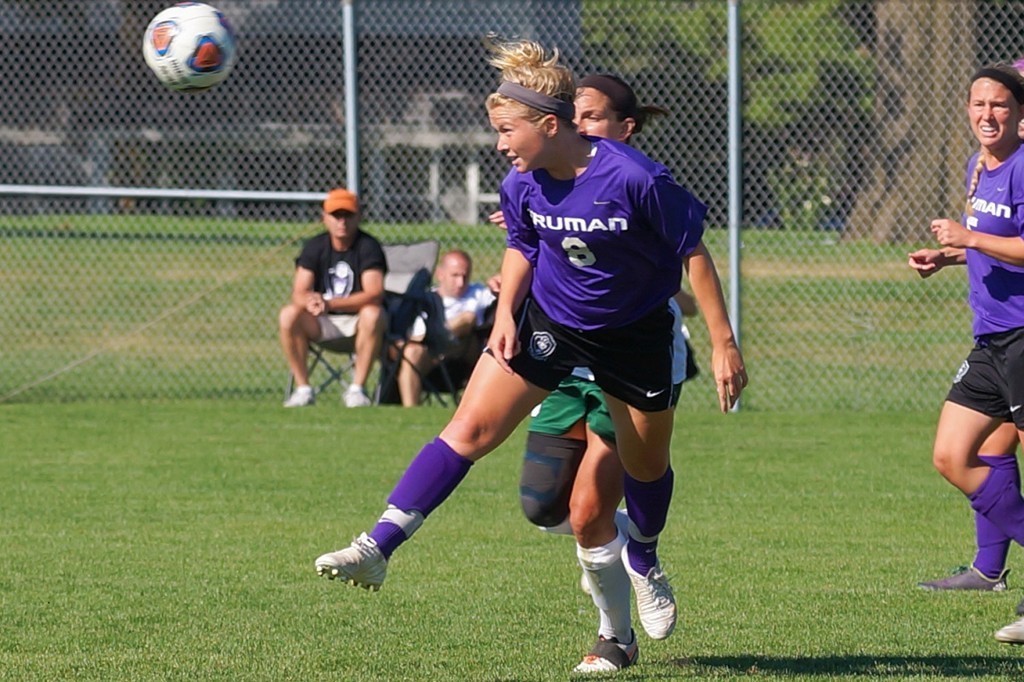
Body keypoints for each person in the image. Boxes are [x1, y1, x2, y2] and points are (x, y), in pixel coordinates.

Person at [313, 37, 747, 672]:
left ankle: (645, 553)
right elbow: (521, 246)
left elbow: (694, 253)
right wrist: (507, 315)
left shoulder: (634, 176)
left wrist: (725, 343)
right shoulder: (521, 184)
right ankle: (378, 546)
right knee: (469, 429)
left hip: (634, 339)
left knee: (645, 468)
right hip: (552, 324)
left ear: (550, 124)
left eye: (507, 130)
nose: (499, 145)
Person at [508, 74, 699, 673]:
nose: (579, 126)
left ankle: (616, 633)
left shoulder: (637, 184)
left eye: (591, 117)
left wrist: (719, 338)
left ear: (624, 128)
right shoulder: (546, 181)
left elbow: (684, 276)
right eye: (574, 115)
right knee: (541, 505)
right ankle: (624, 535)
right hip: (563, 356)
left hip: (626, 354)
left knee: (590, 510)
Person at [906, 63, 1024, 644]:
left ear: (1020, 115)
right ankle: (988, 570)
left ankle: (992, 571)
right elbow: (994, 246)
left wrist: (971, 238)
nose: (987, 114)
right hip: (992, 342)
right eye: (978, 103)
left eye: (1000, 104)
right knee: (954, 455)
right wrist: (948, 255)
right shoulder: (981, 165)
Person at [279, 188, 387, 408]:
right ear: (324, 218)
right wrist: (311, 301)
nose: (342, 222)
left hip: (359, 324)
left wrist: (330, 303)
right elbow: (299, 292)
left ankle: (357, 390)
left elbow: (374, 293)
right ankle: (303, 389)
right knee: (289, 314)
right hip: (322, 322)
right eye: (336, 215)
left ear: (358, 217)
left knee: (373, 314)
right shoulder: (315, 247)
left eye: (348, 215)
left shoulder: (369, 247)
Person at [397, 249, 496, 407]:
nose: (461, 282)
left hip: (462, 353)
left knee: (468, 318)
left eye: (465, 276)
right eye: (455, 275)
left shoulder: (479, 294)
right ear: (440, 274)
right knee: (411, 351)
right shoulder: (426, 300)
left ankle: (438, 334)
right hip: (427, 352)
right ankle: (410, 410)